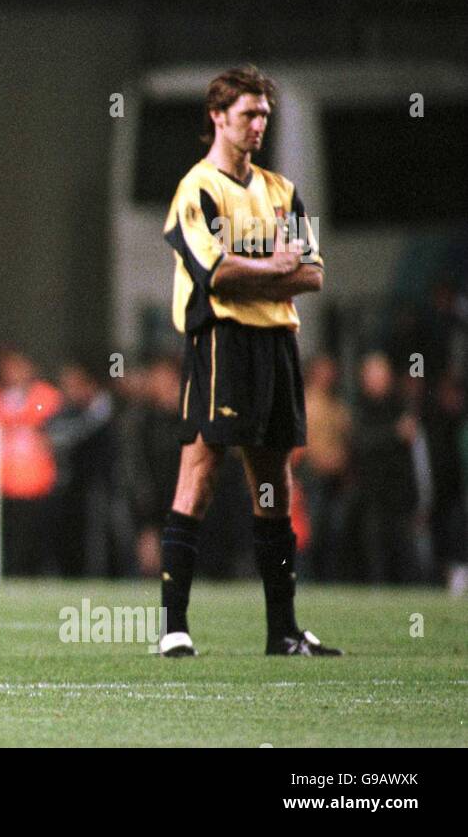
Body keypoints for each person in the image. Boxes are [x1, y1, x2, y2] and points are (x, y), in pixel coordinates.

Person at [158, 66, 341, 658]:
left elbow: (312, 273)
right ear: (217, 116)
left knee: (273, 482)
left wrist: (257, 271)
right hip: (222, 343)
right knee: (202, 471)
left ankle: (282, 630)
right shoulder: (198, 189)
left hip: (275, 345)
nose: (258, 124)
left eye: (263, 114)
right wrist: (273, 267)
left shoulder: (283, 190)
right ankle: (174, 627)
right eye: (248, 114)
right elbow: (215, 273)